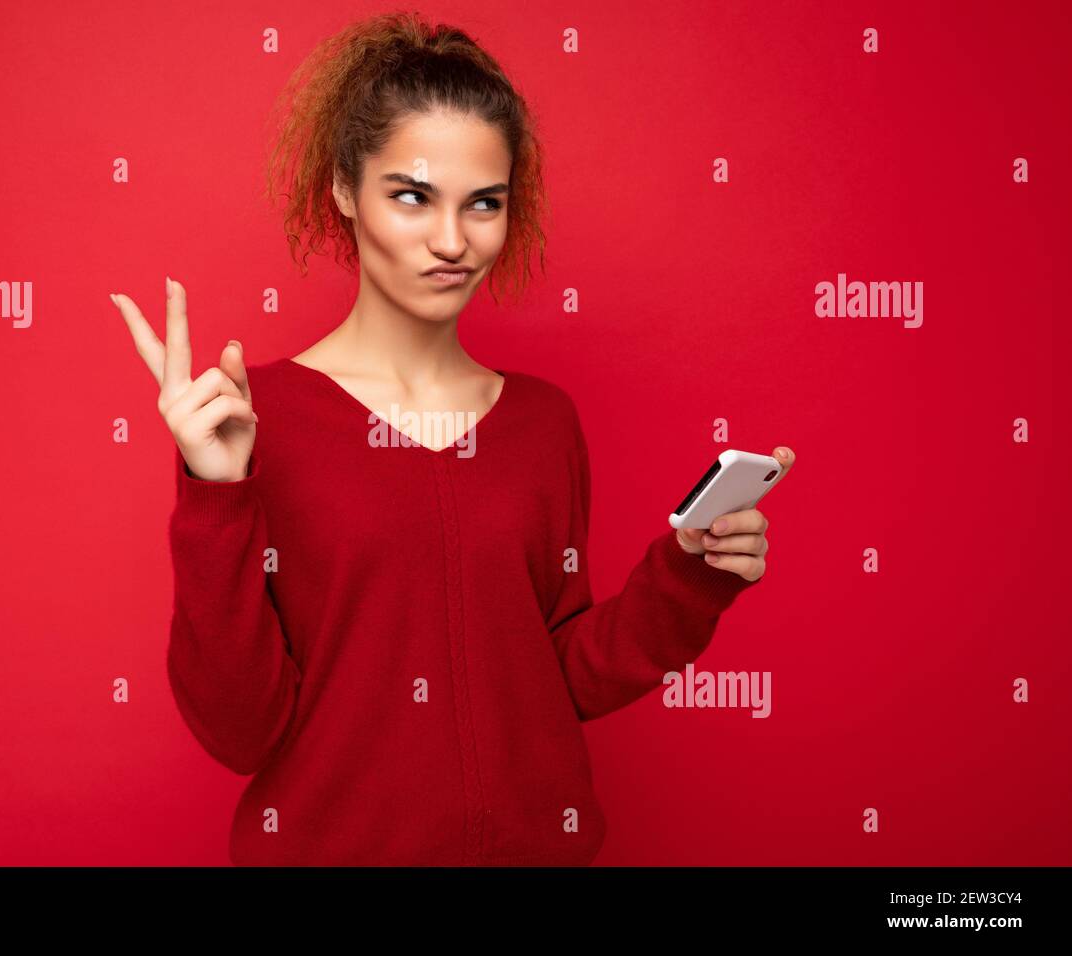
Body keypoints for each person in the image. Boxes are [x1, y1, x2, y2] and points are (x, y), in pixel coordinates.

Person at [111, 11, 792, 866]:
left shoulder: (545, 423)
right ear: (342, 191)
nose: (451, 242)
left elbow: (558, 679)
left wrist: (691, 574)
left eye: (484, 205)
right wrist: (216, 492)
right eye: (412, 196)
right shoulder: (257, 420)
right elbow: (241, 730)